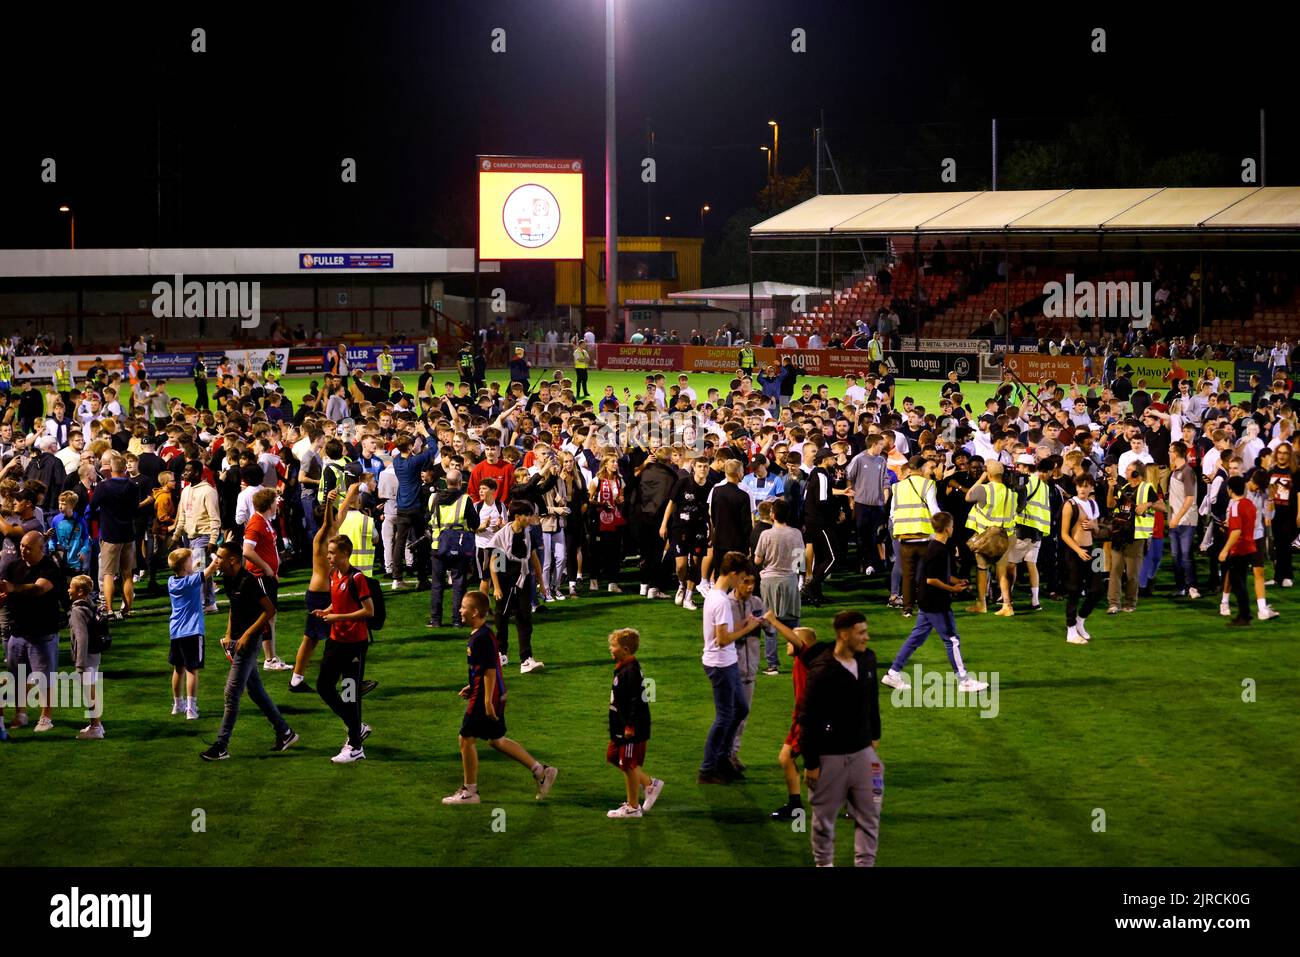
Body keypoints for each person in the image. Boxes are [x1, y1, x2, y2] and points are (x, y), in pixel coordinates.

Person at [442, 591, 558, 805]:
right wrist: (472, 684)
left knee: (466, 739)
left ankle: (470, 792)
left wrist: (486, 701)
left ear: (475, 611)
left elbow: (489, 671)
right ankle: (541, 771)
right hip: (492, 692)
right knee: (497, 740)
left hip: (486, 695)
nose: (460, 610)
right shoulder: (482, 634)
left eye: (463, 607)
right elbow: (488, 667)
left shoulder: (481, 638)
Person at [799, 610, 883, 868]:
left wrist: (875, 736)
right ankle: (824, 865)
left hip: (863, 754)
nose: (866, 637)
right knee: (824, 820)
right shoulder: (823, 670)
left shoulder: (868, 659)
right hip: (829, 756)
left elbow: (873, 702)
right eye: (861, 632)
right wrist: (811, 763)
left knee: (870, 815)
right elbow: (808, 718)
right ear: (844, 634)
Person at [201, 542, 298, 761]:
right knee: (255, 691)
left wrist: (246, 635)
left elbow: (269, 610)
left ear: (232, 560)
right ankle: (285, 732)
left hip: (249, 643)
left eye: (220, 559)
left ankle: (221, 744)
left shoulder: (249, 582)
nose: (216, 562)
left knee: (231, 693)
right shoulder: (228, 579)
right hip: (237, 642)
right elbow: (234, 609)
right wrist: (228, 634)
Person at [880, 512, 989, 692]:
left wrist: (956, 581)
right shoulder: (938, 550)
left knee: (916, 638)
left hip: (926, 600)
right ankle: (964, 681)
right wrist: (952, 589)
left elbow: (939, 575)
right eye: (952, 526)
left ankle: (892, 673)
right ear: (947, 529)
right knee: (952, 640)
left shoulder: (935, 547)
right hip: (935, 602)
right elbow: (932, 580)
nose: (953, 529)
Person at [698, 551, 766, 784]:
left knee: (740, 709)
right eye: (742, 578)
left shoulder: (715, 595)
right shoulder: (721, 601)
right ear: (734, 574)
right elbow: (723, 639)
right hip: (721, 663)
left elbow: (722, 630)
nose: (743, 583)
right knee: (726, 716)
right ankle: (709, 768)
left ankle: (723, 760)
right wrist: (748, 628)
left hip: (725, 662)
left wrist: (743, 623)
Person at [311, 533, 375, 763]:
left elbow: (369, 611)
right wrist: (328, 610)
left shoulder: (357, 578)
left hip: (354, 646)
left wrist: (337, 617)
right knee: (323, 686)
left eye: (332, 553)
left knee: (349, 694)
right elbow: (338, 601)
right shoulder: (333, 574)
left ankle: (356, 746)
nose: (328, 556)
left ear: (345, 553)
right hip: (336, 641)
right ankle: (356, 727)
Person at [0, 532, 64, 734]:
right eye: (22, 546)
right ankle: (21, 713)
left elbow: (38, 589)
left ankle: (46, 717)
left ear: (41, 549)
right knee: (17, 677)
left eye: (28, 547)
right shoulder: (13, 567)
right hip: (17, 632)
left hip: (42, 633)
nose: (23, 550)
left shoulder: (49, 567)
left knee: (44, 679)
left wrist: (13, 588)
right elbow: (6, 593)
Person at [604, 627, 664, 819]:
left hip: (630, 728)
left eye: (613, 646)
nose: (610, 649)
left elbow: (634, 702)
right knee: (613, 756)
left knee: (628, 765)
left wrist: (630, 726)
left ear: (626, 649)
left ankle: (632, 806)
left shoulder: (630, 671)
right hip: (619, 727)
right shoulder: (625, 667)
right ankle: (649, 784)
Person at [488, 500, 546, 674]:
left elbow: (534, 558)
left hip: (523, 579)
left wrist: (541, 584)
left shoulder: (529, 535)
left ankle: (526, 658)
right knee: (501, 618)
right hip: (505, 580)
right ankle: (501, 653)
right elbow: (493, 564)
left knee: (524, 618)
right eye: (526, 515)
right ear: (517, 517)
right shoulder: (501, 536)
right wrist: (497, 587)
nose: (529, 518)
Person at [167, 547, 220, 719]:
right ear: (183, 566)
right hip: (192, 631)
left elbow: (190, 576)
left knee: (178, 669)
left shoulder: (171, 581)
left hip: (176, 632)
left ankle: (177, 704)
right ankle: (191, 708)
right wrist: (217, 557)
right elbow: (211, 569)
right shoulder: (191, 581)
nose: (193, 562)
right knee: (192, 670)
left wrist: (194, 566)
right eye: (190, 560)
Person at [752, 497, 803, 676]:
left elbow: (757, 560)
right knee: (793, 623)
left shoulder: (766, 535)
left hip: (770, 581)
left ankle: (772, 665)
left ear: (772, 515)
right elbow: (800, 563)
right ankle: (801, 659)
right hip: (790, 580)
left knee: (770, 623)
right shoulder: (796, 534)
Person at [964, 459, 1016, 614]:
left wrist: (981, 479)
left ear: (989, 473)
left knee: (982, 569)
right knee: (1001, 571)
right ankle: (1007, 605)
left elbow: (968, 496)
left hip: (986, 536)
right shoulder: (1010, 492)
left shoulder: (984, 489)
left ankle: (982, 604)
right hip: (1005, 536)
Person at [428, 469, 478, 628]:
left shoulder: (433, 498)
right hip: (459, 545)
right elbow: (474, 523)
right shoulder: (465, 500)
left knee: (437, 584)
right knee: (459, 583)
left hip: (437, 545)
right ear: (460, 482)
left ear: (446, 481)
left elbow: (427, 519)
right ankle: (458, 619)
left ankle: (436, 619)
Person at [67, 574, 105, 739]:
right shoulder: (90, 604)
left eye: (72, 587)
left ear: (80, 591)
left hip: (86, 656)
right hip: (95, 654)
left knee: (89, 691)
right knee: (92, 689)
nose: (69, 590)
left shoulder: (77, 610)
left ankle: (95, 727)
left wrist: (80, 663)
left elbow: (81, 637)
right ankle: (96, 724)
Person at [1219, 475, 1258, 627]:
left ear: (1230, 490)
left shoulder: (1235, 506)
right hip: (1250, 547)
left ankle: (1245, 616)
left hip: (1239, 549)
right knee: (1241, 582)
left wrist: (1225, 550)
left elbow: (1236, 531)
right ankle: (1244, 614)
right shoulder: (1249, 503)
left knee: (1237, 584)